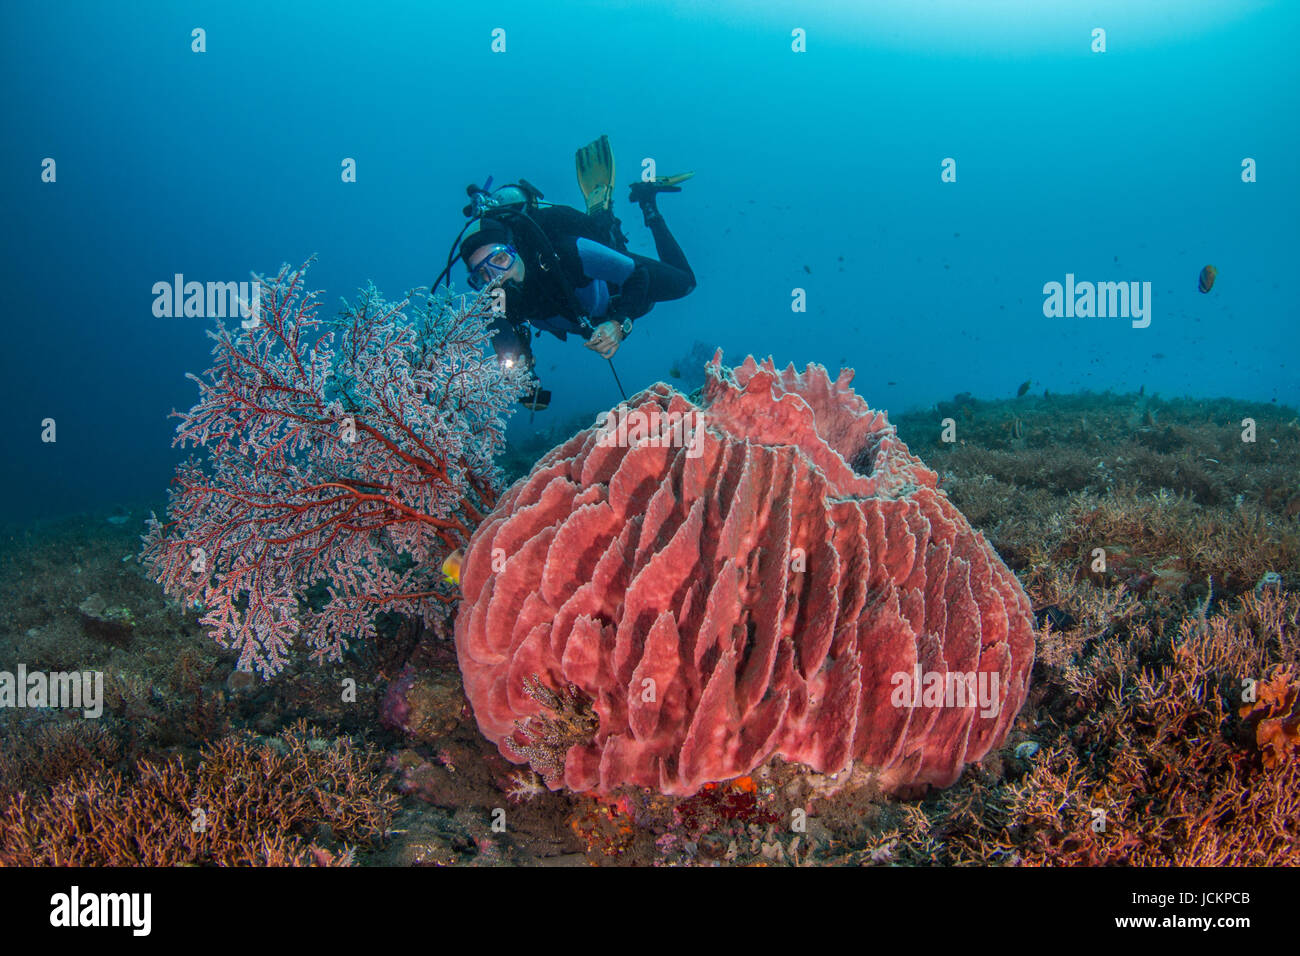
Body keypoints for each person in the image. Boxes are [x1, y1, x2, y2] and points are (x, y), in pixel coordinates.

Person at [460, 179, 695, 410]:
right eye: (482, 274)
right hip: (587, 315)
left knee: (684, 283)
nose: (497, 278)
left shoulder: (566, 252)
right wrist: (527, 382)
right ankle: (601, 219)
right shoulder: (495, 301)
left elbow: (637, 274)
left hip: (618, 292)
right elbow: (509, 351)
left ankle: (641, 205)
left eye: (500, 259)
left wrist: (619, 323)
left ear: (515, 248)